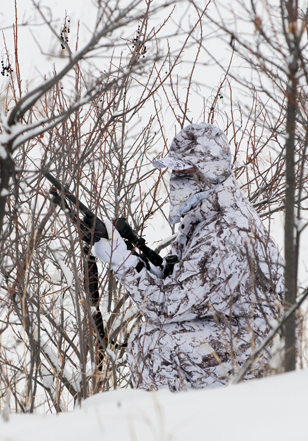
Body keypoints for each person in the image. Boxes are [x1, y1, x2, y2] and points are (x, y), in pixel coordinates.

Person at [93, 123, 285, 391]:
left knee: (152, 343)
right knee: (149, 337)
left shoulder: (223, 231)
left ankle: (177, 425)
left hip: (259, 349)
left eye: (187, 170)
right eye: (176, 170)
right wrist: (138, 256)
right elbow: (178, 281)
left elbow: (164, 308)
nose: (177, 177)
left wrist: (120, 260)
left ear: (210, 171)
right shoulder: (207, 214)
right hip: (241, 333)